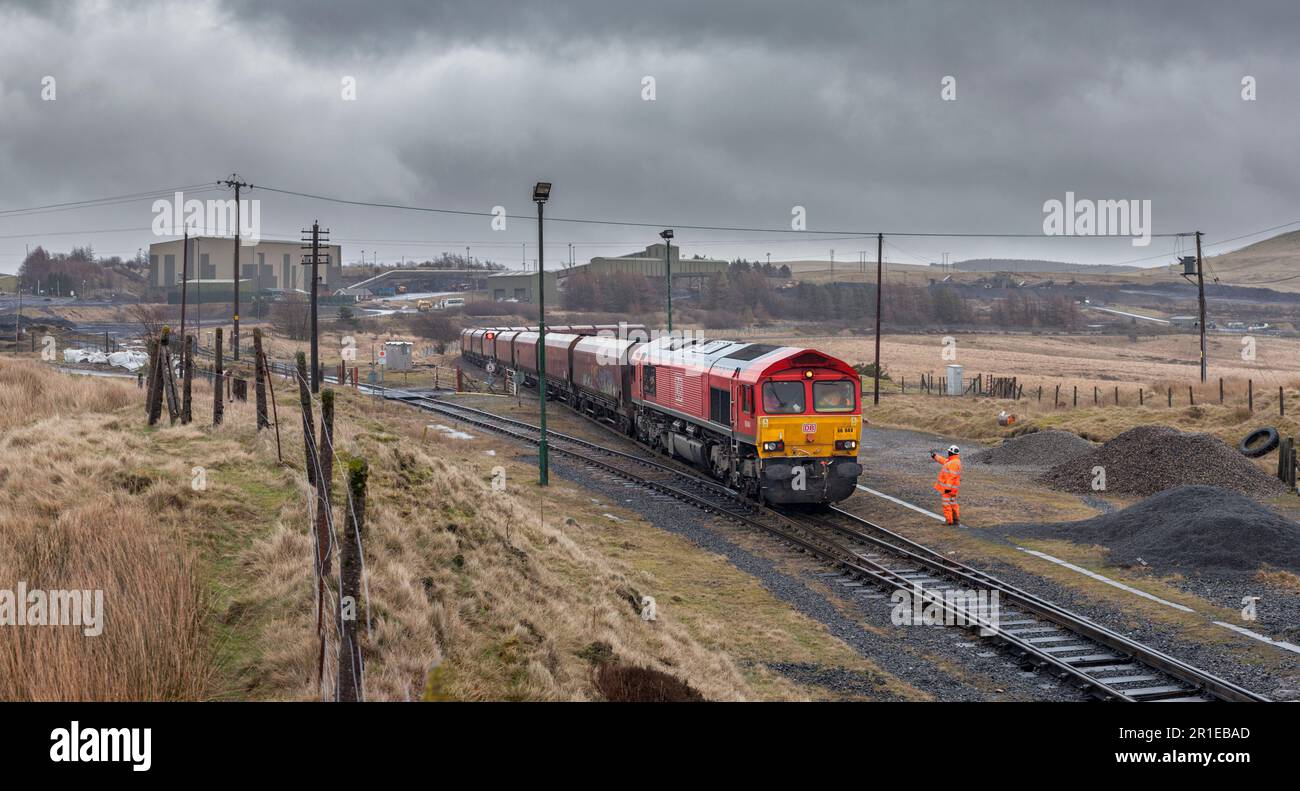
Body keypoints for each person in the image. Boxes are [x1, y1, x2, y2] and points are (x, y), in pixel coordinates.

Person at [929, 445, 962, 526]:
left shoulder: (953, 463)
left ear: (951, 452)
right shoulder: (953, 461)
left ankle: (949, 521)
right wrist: (935, 456)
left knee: (946, 504)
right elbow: (943, 460)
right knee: (953, 503)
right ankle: (955, 520)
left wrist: (947, 489)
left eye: (948, 451)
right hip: (952, 489)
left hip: (948, 489)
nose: (947, 452)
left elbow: (951, 477)